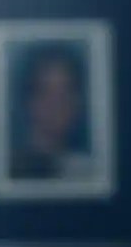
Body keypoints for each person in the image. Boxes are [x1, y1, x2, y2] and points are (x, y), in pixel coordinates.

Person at [10, 46, 94, 179]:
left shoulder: (88, 171)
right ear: (28, 101)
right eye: (45, 91)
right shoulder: (11, 170)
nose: (59, 103)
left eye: (69, 90)